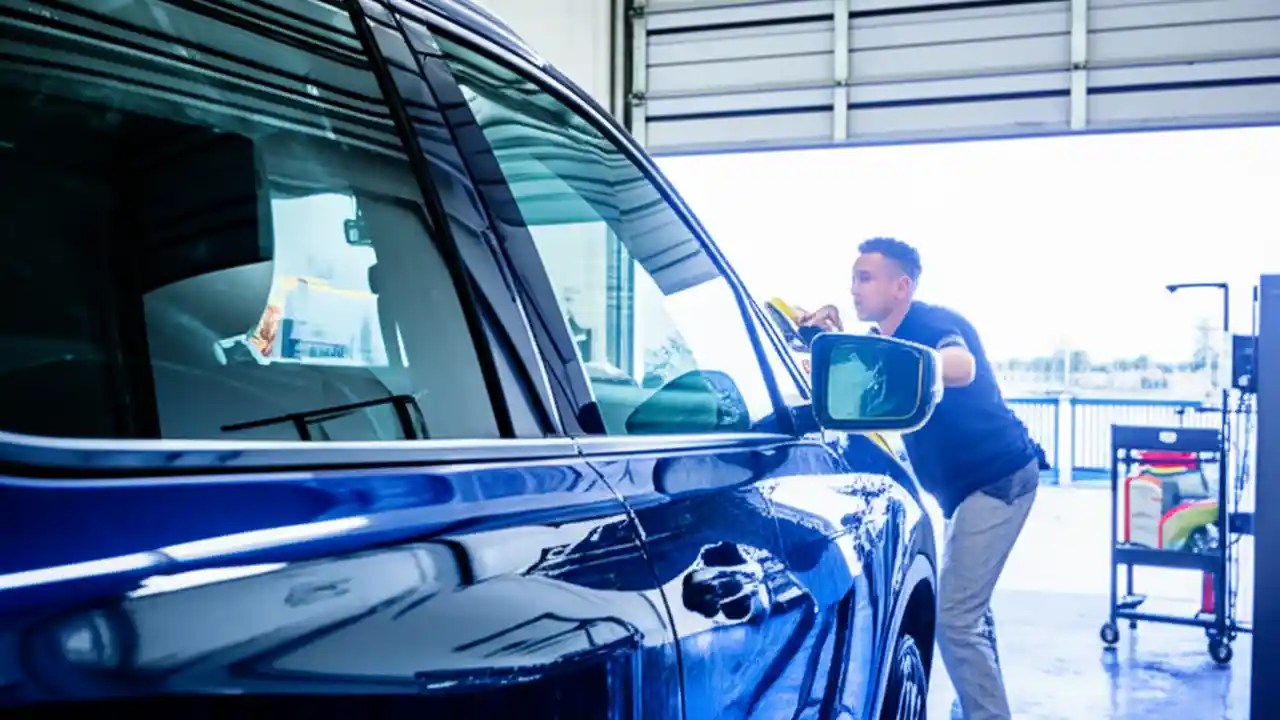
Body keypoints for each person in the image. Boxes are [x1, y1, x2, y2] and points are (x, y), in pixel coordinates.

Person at [796, 237, 1043, 720]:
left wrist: (911, 360)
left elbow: (961, 365)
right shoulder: (892, 343)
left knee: (955, 618)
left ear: (901, 286)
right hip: (966, 492)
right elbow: (863, 388)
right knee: (970, 608)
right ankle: (976, 702)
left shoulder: (931, 323)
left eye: (865, 278)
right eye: (853, 278)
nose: (854, 289)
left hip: (998, 482)